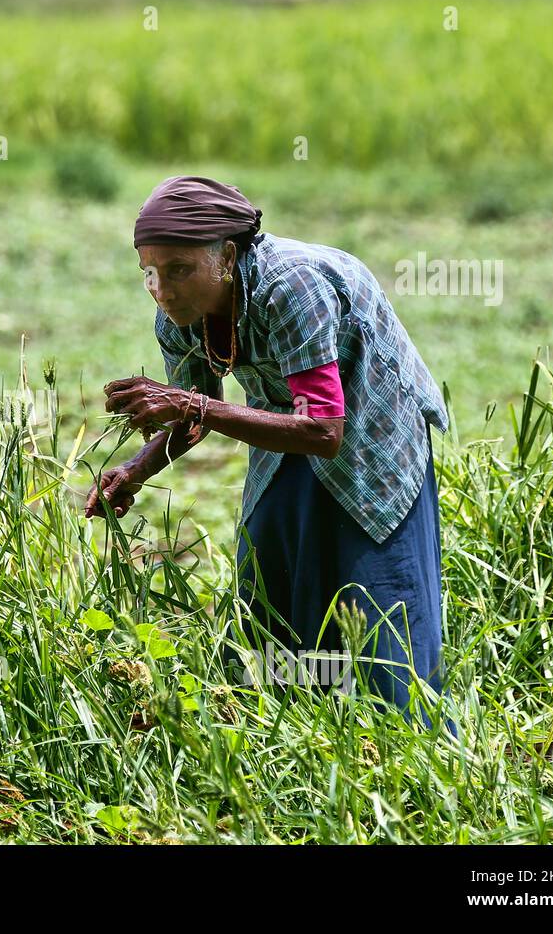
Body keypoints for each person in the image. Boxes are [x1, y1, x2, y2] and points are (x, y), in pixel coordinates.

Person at [86, 175, 454, 733]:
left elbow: (325, 431)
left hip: (372, 427)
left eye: (179, 269)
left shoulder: (292, 288)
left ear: (227, 257)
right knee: (274, 576)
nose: (162, 288)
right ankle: (290, 734)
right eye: (150, 272)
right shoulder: (178, 316)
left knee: (374, 593)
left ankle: (405, 744)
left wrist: (188, 404)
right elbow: (198, 411)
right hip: (285, 426)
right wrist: (136, 471)